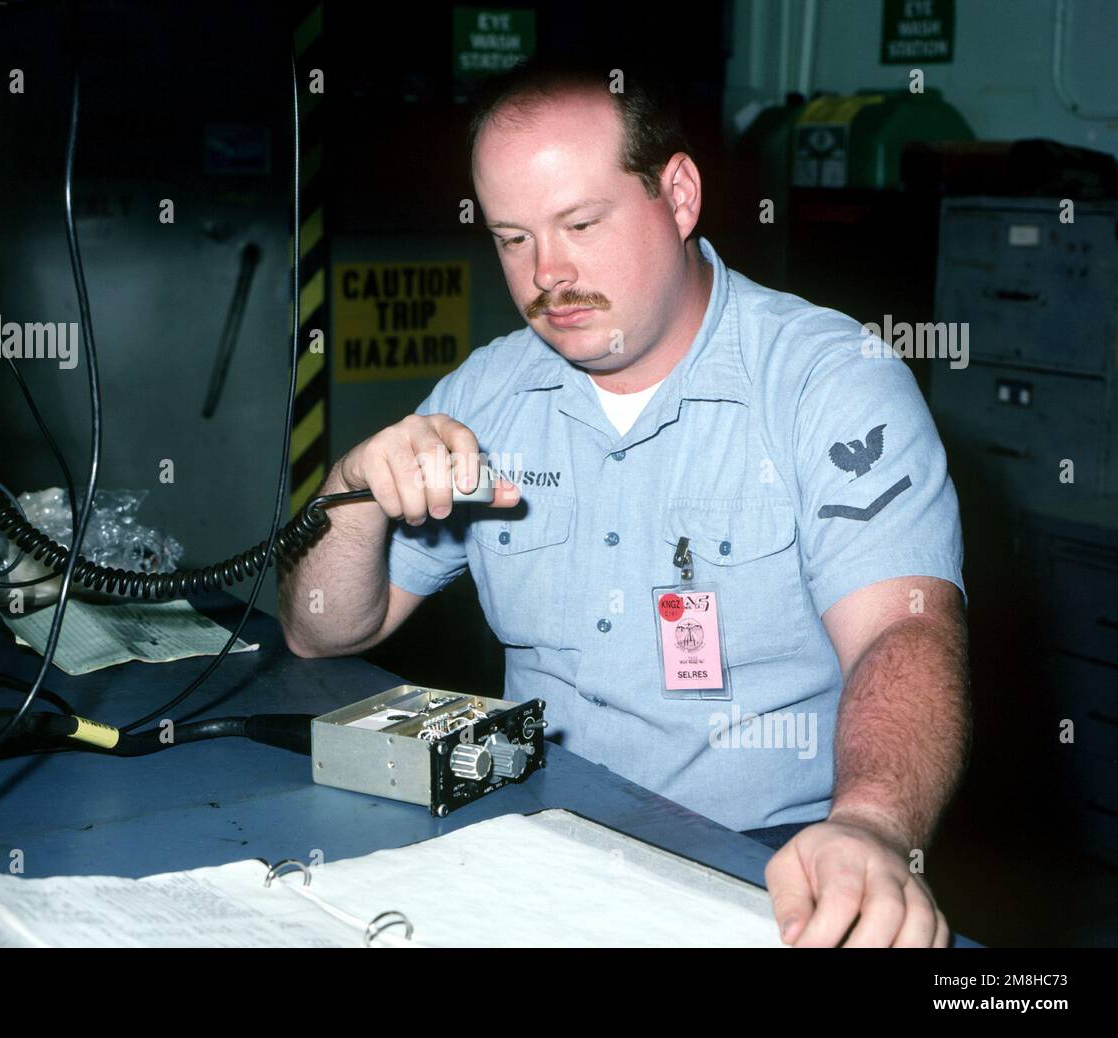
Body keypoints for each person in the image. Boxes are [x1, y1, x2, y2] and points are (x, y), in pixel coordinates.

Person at [278, 53, 969, 948]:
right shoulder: (487, 394)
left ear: (679, 196)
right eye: (512, 237)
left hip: (759, 866)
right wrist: (355, 488)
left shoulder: (828, 385)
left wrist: (872, 825)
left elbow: (904, 633)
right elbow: (318, 632)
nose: (546, 275)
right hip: (530, 849)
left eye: (580, 223)